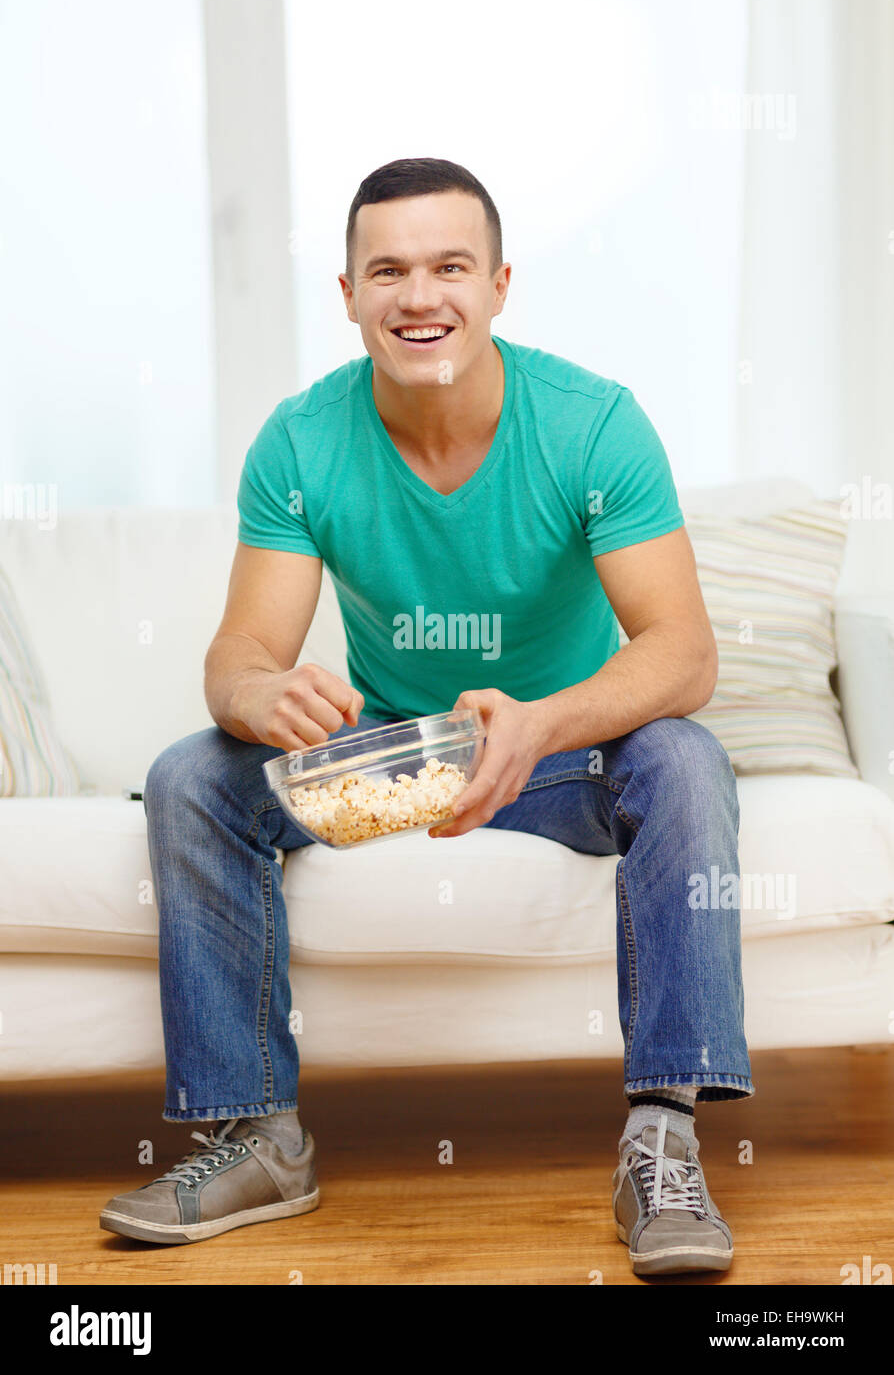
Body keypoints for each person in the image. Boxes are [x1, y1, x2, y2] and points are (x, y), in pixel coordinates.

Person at [100, 157, 752, 1277]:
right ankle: (258, 1137)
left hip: (563, 758)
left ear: (500, 284)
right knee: (192, 773)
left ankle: (663, 1141)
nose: (420, 296)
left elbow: (684, 653)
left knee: (687, 759)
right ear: (348, 295)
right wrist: (259, 692)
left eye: (450, 265)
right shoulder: (302, 444)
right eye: (388, 269)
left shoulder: (592, 425)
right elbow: (237, 656)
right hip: (391, 758)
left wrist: (541, 723)